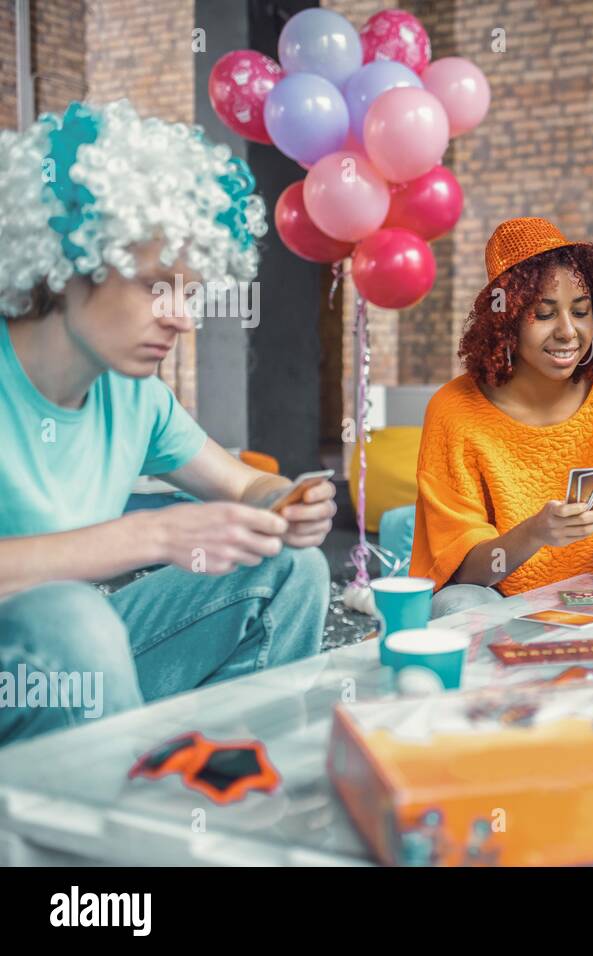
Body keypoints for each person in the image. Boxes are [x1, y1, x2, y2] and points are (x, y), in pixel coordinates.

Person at [0, 100, 334, 746]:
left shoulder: (135, 397)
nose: (182, 317)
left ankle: (231, 773)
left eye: (190, 292)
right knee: (72, 619)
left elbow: (244, 486)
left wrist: (285, 506)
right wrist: (150, 535)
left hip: (77, 667)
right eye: (157, 285)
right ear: (69, 261)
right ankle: (106, 807)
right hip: (44, 663)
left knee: (290, 567)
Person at [412, 217, 593, 619]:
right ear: (505, 323)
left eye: (581, 312)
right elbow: (462, 572)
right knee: (456, 605)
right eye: (544, 314)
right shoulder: (454, 409)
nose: (568, 332)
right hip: (504, 604)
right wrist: (536, 533)